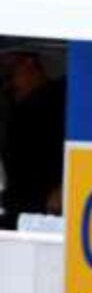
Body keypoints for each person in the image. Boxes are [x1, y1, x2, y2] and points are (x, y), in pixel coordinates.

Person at [0, 51, 65, 229]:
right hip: (18, 205)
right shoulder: (15, 110)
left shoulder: (60, 99)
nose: (9, 83)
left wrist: (64, 187)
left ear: (29, 63)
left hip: (46, 210)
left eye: (10, 72)